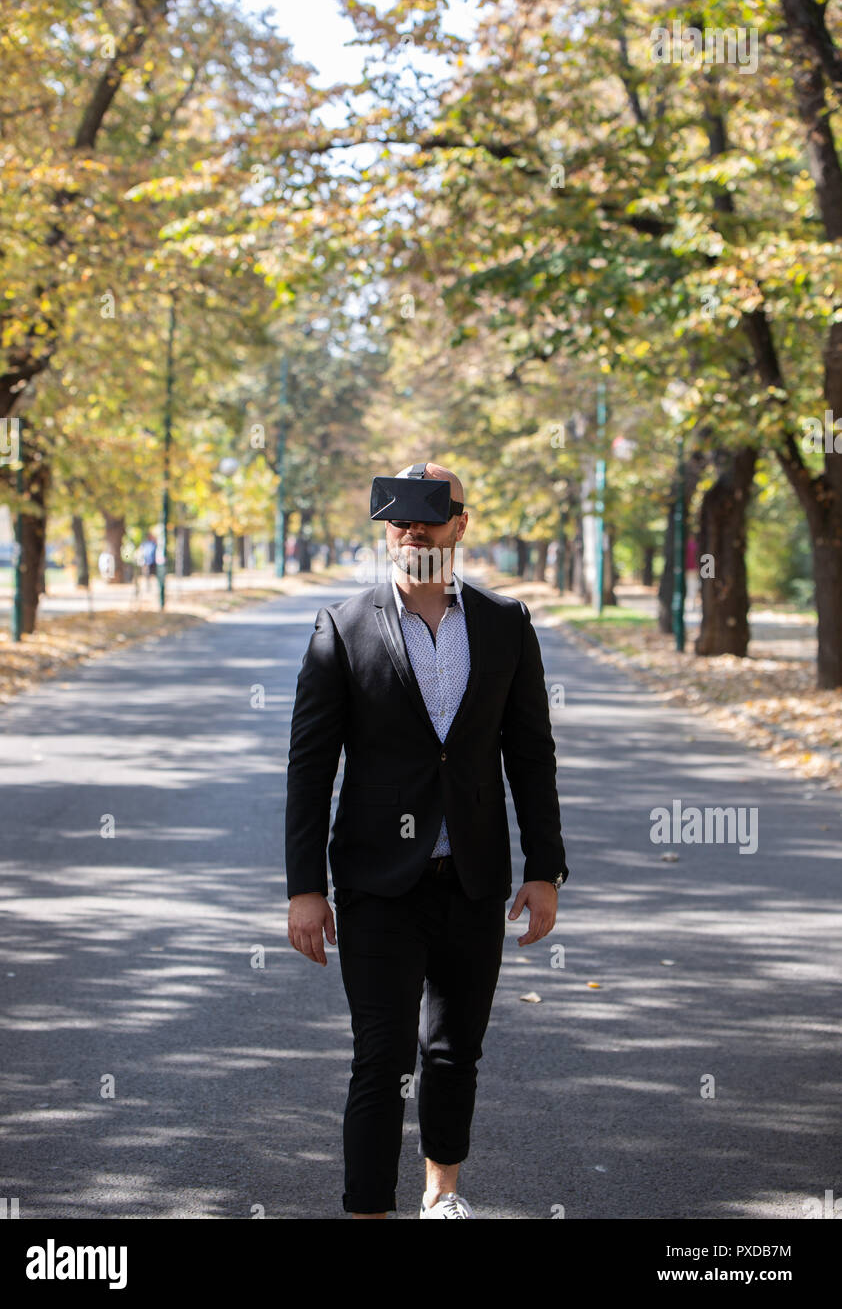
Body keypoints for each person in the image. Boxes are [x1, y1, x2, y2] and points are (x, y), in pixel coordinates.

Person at [285, 461, 568, 1219]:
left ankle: (443, 1193)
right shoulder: (342, 628)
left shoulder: (506, 624)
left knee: (453, 1054)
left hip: (472, 881)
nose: (412, 532)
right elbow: (310, 767)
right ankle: (370, 1211)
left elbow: (530, 752)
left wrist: (545, 868)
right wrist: (304, 888)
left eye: (428, 519)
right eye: (398, 522)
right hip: (378, 884)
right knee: (379, 1058)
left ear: (460, 525)